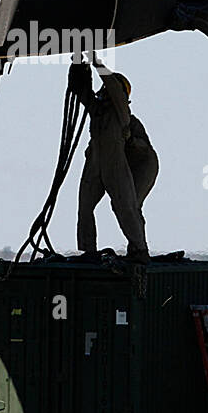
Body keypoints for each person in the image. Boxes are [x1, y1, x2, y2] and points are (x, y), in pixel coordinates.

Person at [69, 61, 157, 264]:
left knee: (126, 205)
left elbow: (114, 89)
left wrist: (96, 62)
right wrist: (78, 67)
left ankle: (139, 250)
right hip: (96, 162)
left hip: (125, 163)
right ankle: (88, 251)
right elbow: (82, 93)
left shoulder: (123, 114)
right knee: (85, 207)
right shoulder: (97, 111)